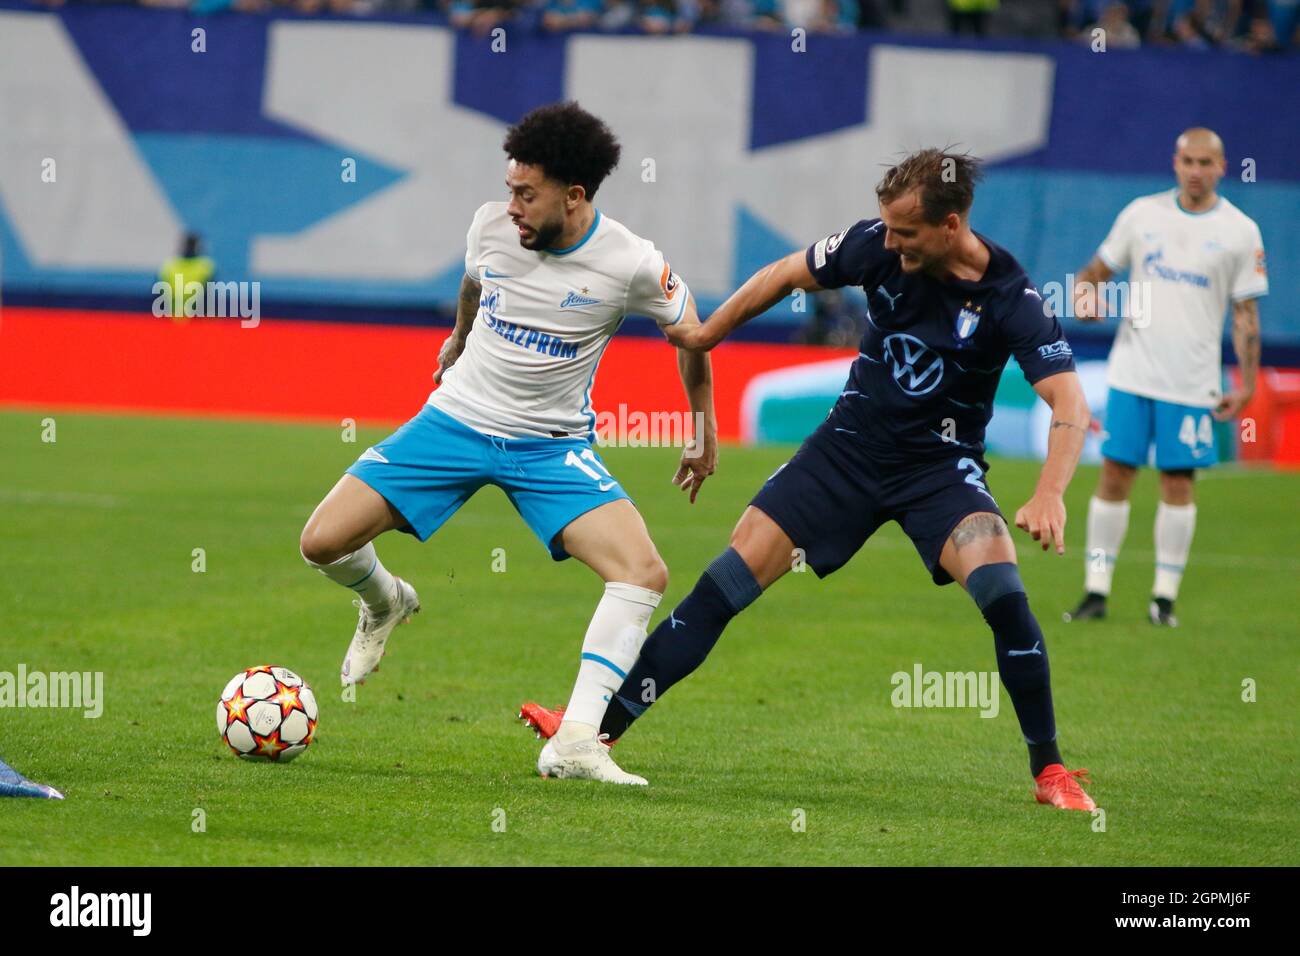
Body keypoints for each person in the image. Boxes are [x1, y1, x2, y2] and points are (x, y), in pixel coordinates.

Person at [523, 148, 1100, 811]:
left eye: (906, 233)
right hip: (846, 453)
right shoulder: (875, 246)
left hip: (940, 471)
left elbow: (1069, 403)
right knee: (723, 586)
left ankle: (1049, 770)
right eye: (887, 228)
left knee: (1003, 594)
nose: (890, 243)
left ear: (952, 225)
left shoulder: (1011, 297)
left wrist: (1050, 491)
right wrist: (709, 333)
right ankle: (591, 733)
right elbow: (784, 274)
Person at [299, 102, 717, 786]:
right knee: (320, 543)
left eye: (526, 193)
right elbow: (473, 283)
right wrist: (459, 340)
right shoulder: (491, 228)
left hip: (549, 447)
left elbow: (692, 337)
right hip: (456, 420)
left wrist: (701, 431)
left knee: (643, 573)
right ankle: (385, 600)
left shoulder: (632, 263)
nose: (511, 205)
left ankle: (578, 740)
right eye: (509, 188)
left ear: (574, 196)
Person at [1065, 128, 1267, 627]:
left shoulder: (1242, 231)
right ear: (1175, 163)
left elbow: (1245, 315)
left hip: (1192, 380)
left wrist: (1246, 382)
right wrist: (1084, 300)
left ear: (1222, 167)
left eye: (1206, 162)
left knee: (1178, 482)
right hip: (1132, 373)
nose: (1196, 171)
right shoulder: (1141, 215)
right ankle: (1095, 591)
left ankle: (1163, 599)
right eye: (1188, 161)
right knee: (1115, 475)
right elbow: (1091, 275)